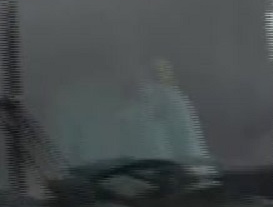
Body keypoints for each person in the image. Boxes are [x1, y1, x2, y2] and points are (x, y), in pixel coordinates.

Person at [44, 48, 213, 175]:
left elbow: (194, 163)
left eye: (138, 57)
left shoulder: (169, 100)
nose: (129, 65)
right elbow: (60, 167)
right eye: (119, 55)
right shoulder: (72, 101)